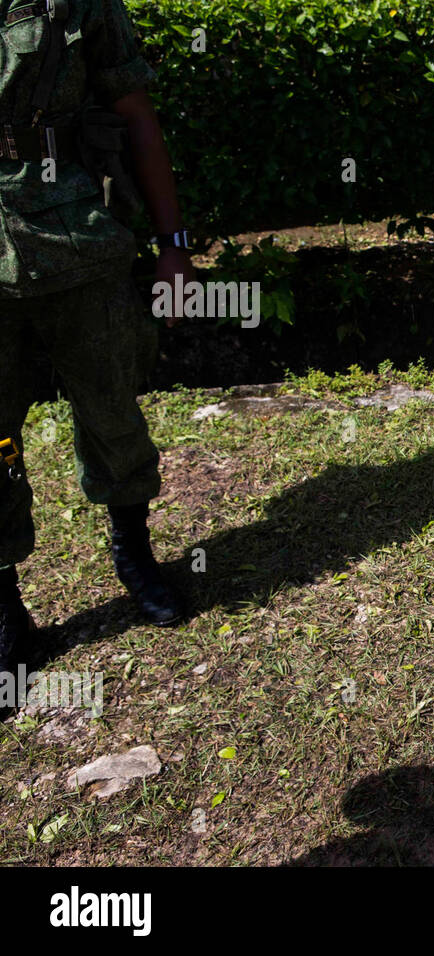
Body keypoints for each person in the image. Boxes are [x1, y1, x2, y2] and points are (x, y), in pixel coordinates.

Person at [1, 0, 193, 679]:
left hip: (79, 236)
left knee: (111, 409)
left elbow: (135, 111)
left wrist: (174, 246)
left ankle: (134, 551)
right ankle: (5, 607)